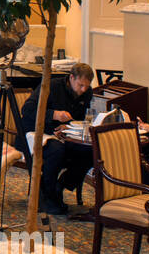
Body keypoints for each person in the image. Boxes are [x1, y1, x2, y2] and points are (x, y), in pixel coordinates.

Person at [16, 62, 95, 217]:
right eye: (80, 85)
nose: (83, 90)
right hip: (35, 132)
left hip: (65, 134)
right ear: (71, 78)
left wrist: (68, 126)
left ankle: (62, 185)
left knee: (91, 152)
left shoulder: (87, 92)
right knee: (57, 152)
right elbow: (27, 110)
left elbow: (78, 118)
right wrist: (54, 115)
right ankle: (48, 196)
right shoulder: (51, 86)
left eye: (86, 86)